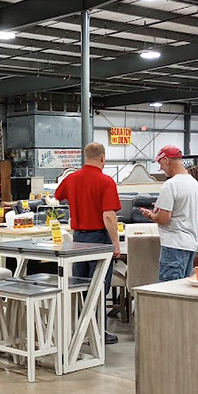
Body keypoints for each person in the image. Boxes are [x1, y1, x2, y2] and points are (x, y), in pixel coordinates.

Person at [54, 142, 121, 344]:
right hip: (99, 240)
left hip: (78, 240)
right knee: (98, 287)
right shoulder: (106, 181)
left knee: (81, 285)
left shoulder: (71, 178)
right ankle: (98, 332)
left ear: (85, 157)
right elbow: (109, 216)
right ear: (103, 158)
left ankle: (81, 329)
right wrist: (116, 244)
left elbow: (58, 197)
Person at [140, 145, 198, 281]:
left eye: (160, 163)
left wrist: (150, 215)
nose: (160, 168)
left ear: (167, 160)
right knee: (183, 290)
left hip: (174, 246)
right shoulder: (194, 183)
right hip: (190, 245)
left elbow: (163, 218)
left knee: (170, 292)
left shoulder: (170, 184)